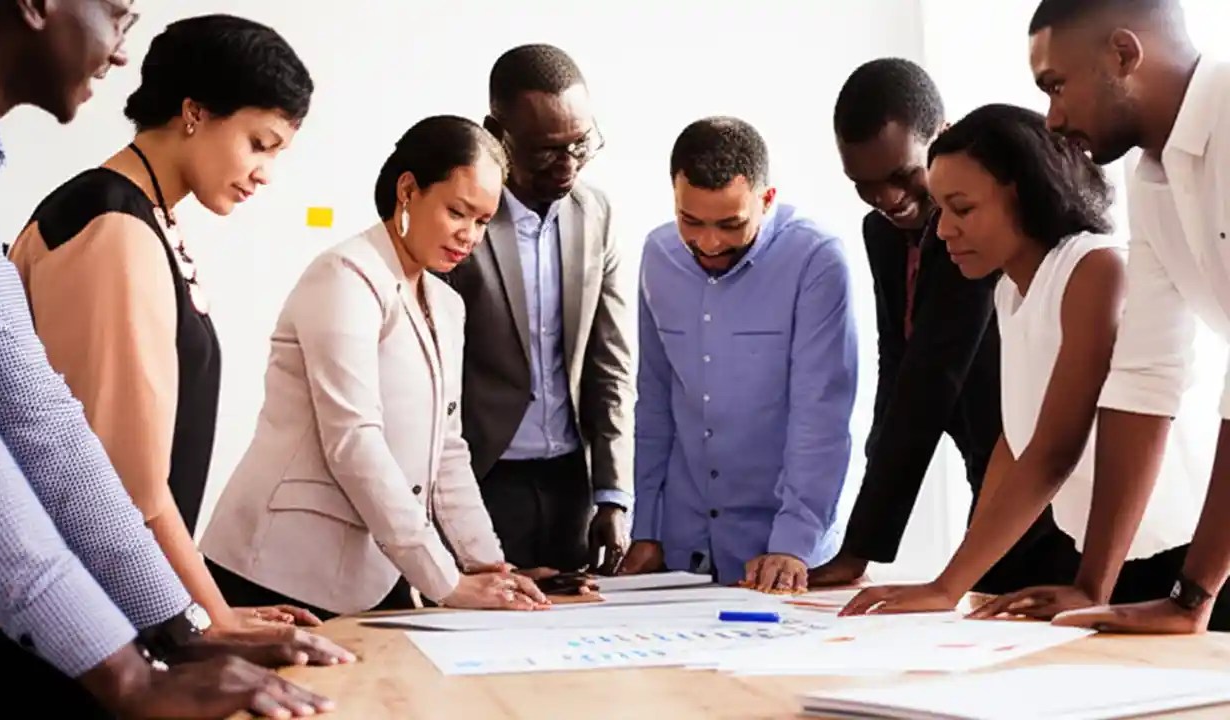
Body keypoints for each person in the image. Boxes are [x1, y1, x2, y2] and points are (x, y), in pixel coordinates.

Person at [0, 2, 336, 718]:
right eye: (259, 143)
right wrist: (188, 630)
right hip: (41, 630)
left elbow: (45, 420)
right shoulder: (111, 223)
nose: (124, 52)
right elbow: (111, 471)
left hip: (82, 614)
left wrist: (191, 626)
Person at [840, 104, 1221, 627]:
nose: (943, 230)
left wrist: (948, 586)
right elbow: (1015, 445)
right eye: (941, 210)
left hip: (1185, 570)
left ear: (1023, 194)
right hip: (1119, 563)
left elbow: (1053, 451)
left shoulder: (1093, 268)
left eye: (962, 209)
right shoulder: (1008, 291)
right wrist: (949, 585)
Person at [201, 115, 552, 618]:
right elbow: (353, 440)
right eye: (458, 211)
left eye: (482, 221)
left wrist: (490, 567)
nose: (470, 235)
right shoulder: (344, 275)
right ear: (408, 190)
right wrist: (445, 580)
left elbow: (447, 451)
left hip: (375, 574)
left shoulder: (446, 305)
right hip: (276, 571)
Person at [971, 0, 1230, 634]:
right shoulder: (1152, 178)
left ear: (1123, 53)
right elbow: (1144, 377)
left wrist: (1190, 598)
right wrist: (1092, 585)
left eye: (1056, 86)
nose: (1052, 119)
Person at [813, 58, 1080, 592]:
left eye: (900, 176)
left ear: (943, 136)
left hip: (1056, 494)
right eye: (864, 185)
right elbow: (898, 374)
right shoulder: (881, 233)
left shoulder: (978, 231)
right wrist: (862, 544)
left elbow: (932, 376)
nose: (887, 199)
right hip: (993, 471)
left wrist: (862, 545)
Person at [620, 116, 859, 590]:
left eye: (730, 224)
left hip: (783, 552)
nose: (709, 243)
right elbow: (654, 402)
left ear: (767, 200)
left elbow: (822, 415)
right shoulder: (658, 256)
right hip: (682, 550)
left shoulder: (815, 260)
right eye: (691, 221)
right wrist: (646, 526)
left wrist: (792, 543)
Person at [439, 44, 633, 575]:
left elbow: (609, 364)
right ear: (497, 135)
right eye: (547, 151)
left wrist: (613, 493)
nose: (568, 165)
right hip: (480, 478)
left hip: (571, 482)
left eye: (581, 144)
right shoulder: (461, 223)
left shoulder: (597, 213)